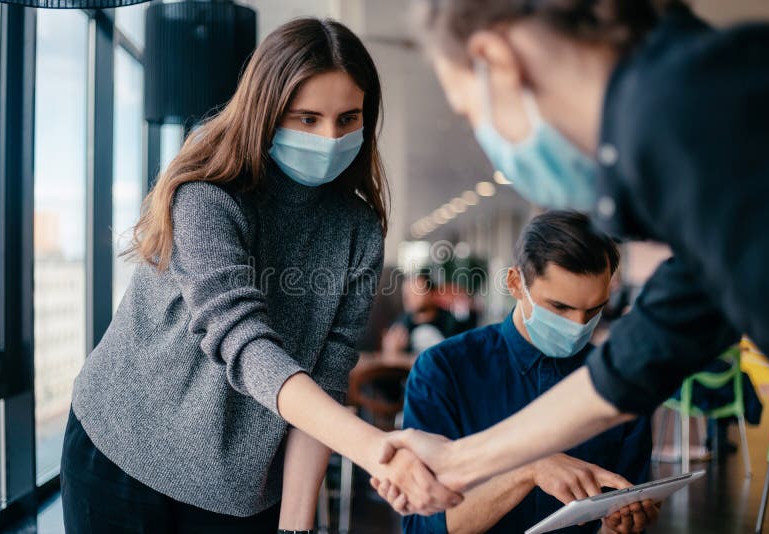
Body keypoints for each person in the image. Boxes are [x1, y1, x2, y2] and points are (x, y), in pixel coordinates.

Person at [60, 18, 460, 533]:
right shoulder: (208, 192)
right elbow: (242, 340)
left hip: (239, 488)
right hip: (121, 453)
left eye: (348, 119)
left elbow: (327, 380)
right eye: (307, 118)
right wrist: (379, 448)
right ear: (266, 111)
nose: (330, 137)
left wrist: (297, 527)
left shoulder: (359, 231)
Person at [376, 0, 769, 504]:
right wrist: (461, 463)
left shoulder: (691, 118)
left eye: (470, 111)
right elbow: (640, 359)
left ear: (496, 60)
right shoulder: (708, 109)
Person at [393, 211, 658, 533]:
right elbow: (423, 528)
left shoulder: (618, 381)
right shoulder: (444, 370)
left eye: (593, 310)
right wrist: (526, 470)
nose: (577, 325)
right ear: (516, 283)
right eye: (560, 307)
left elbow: (624, 500)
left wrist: (618, 526)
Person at [382, 272, 462, 356]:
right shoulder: (399, 326)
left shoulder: (452, 322)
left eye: (415, 291)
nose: (408, 297)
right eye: (405, 292)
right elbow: (387, 357)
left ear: (431, 293)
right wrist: (391, 350)